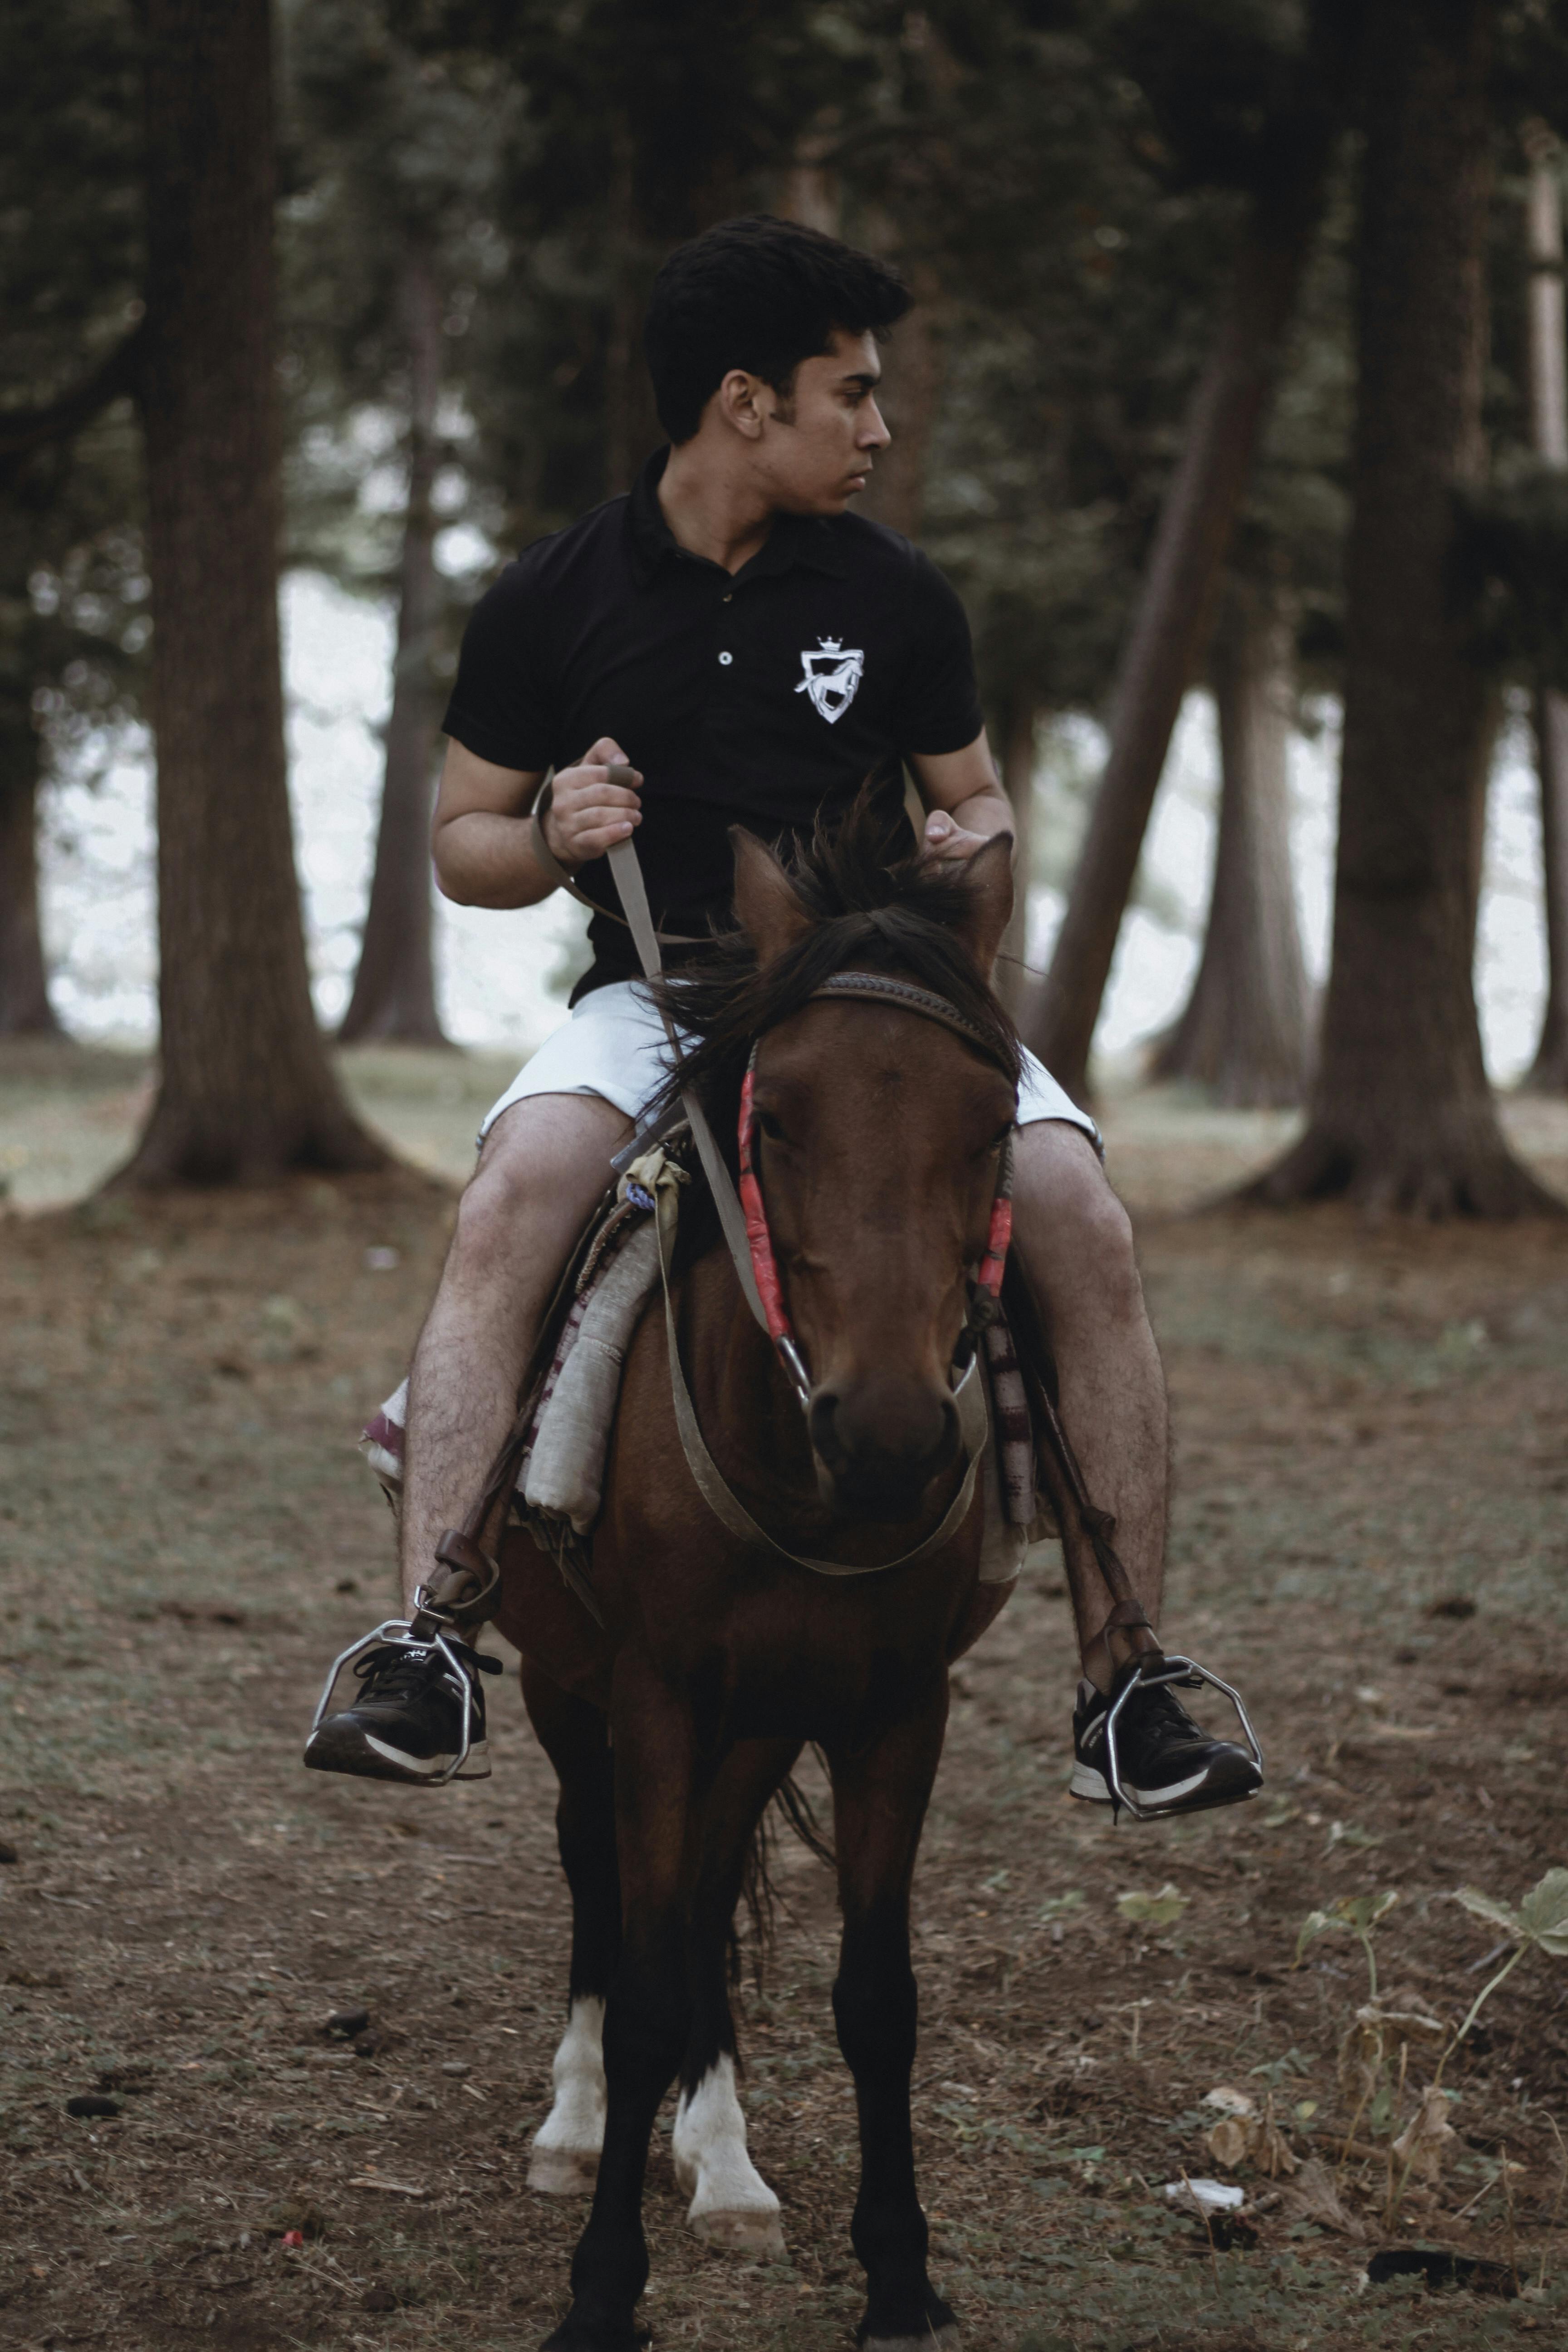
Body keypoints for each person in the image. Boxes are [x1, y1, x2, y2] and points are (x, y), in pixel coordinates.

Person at [304, 214, 1260, 1821]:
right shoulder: (553, 596)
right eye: (853, 395)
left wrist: (978, 855)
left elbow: (979, 798)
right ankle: (433, 1634)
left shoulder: (896, 595)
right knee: (518, 1190)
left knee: (1083, 1211)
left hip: (873, 1004)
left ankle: (1129, 1676)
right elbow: (464, 842)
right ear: (745, 403)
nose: (880, 430)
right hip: (657, 990)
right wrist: (550, 839)